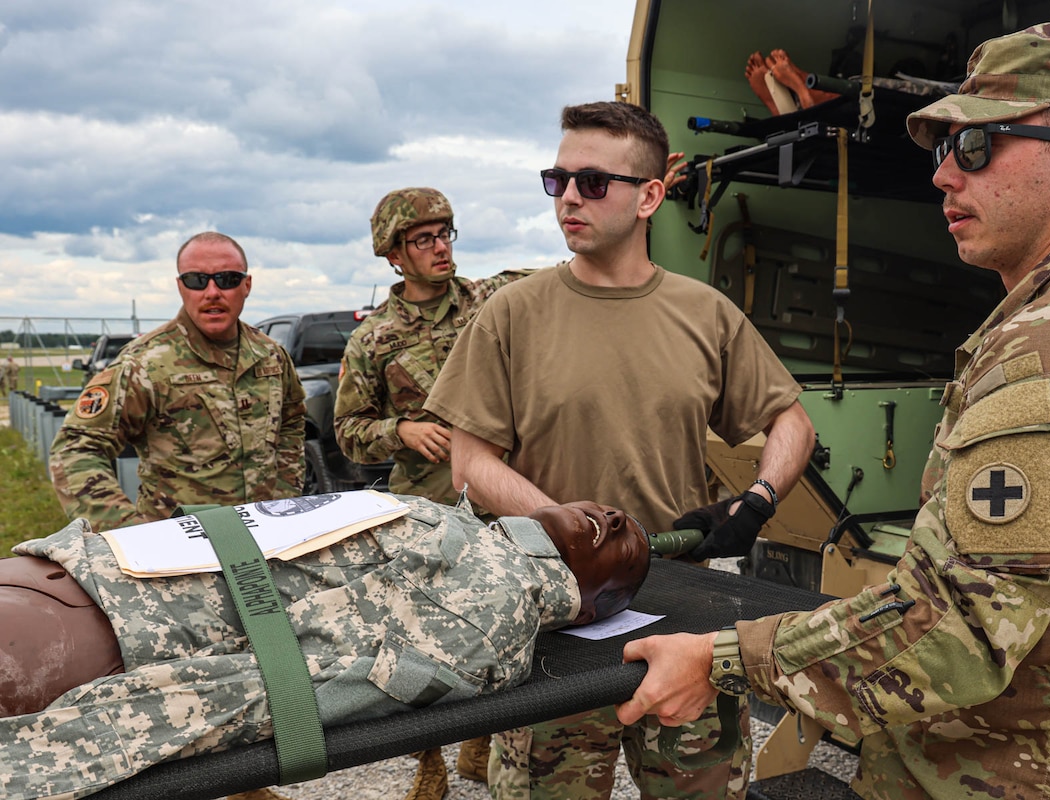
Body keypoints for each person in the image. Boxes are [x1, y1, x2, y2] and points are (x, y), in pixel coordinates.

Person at [616, 22, 1050, 800]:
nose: (944, 178)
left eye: (976, 148)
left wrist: (723, 659)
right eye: (941, 151)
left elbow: (954, 627)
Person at [423, 101, 816, 800]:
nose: (569, 197)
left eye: (593, 182)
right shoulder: (513, 314)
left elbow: (791, 422)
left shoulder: (704, 314)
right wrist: (570, 529)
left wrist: (757, 501)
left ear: (651, 196)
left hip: (684, 619)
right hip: (554, 618)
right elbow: (470, 460)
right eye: (557, 180)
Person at [0, 495, 651, 800]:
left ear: (589, 610)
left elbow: (298, 689)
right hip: (70, 571)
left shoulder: (498, 618)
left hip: (86, 640)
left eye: (626, 554)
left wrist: (59, 748)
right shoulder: (460, 525)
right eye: (621, 514)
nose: (615, 519)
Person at [47, 232, 307, 531]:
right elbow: (76, 450)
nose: (212, 292)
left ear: (246, 285)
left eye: (227, 279)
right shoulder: (146, 364)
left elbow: (291, 422)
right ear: (181, 287)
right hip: (182, 550)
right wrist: (127, 532)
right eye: (197, 280)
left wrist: (284, 499)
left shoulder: (270, 355)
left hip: (266, 536)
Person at [334, 187, 535, 507]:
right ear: (395, 256)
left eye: (444, 235)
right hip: (433, 511)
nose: (441, 247)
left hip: (513, 500)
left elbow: (568, 280)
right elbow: (349, 433)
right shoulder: (371, 339)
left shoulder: (494, 298)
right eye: (424, 240)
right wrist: (401, 431)